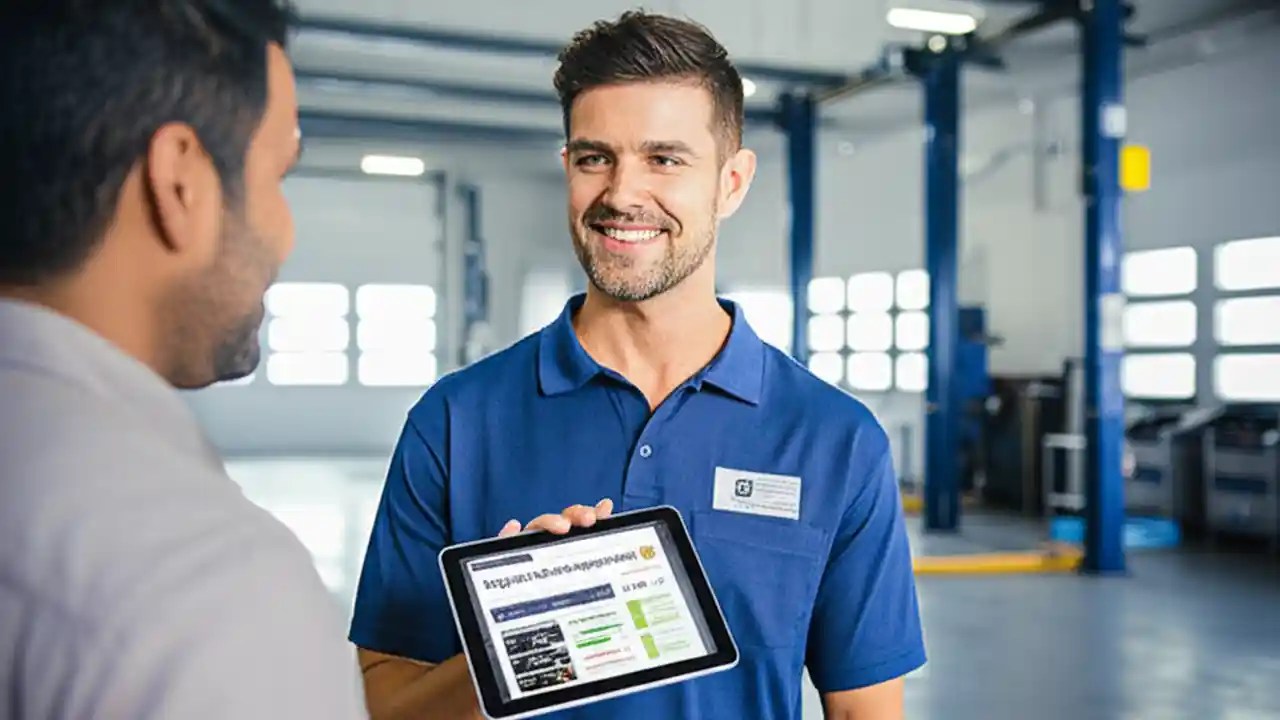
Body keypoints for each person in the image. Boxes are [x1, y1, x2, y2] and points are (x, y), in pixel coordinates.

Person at [349, 10, 926, 720]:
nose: (622, 194)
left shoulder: (835, 439)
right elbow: (387, 703)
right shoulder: (456, 420)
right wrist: (518, 645)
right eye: (595, 158)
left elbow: (864, 708)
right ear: (568, 166)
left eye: (665, 159)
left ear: (732, 182)